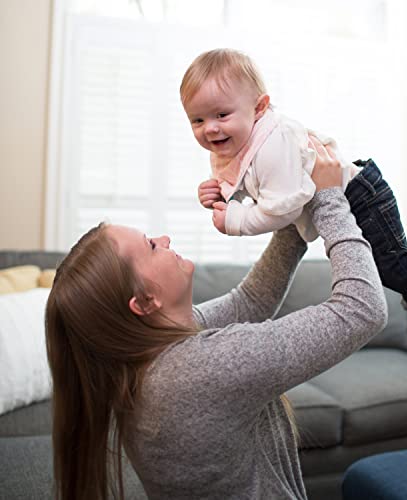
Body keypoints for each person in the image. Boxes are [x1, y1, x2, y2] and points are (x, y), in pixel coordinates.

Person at [45, 139, 387, 500]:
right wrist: (329, 198)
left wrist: (288, 199)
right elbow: (362, 307)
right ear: (144, 301)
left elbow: (252, 300)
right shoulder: (199, 370)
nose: (164, 238)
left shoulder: (154, 354)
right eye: (150, 246)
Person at [180, 48, 407, 339]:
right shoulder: (232, 143)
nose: (210, 129)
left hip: (361, 195)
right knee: (393, 267)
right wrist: (219, 195)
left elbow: (282, 210)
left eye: (221, 115)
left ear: (259, 108)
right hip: (343, 195)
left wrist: (233, 220)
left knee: (394, 267)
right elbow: (248, 186)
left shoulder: (273, 143)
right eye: (198, 120)